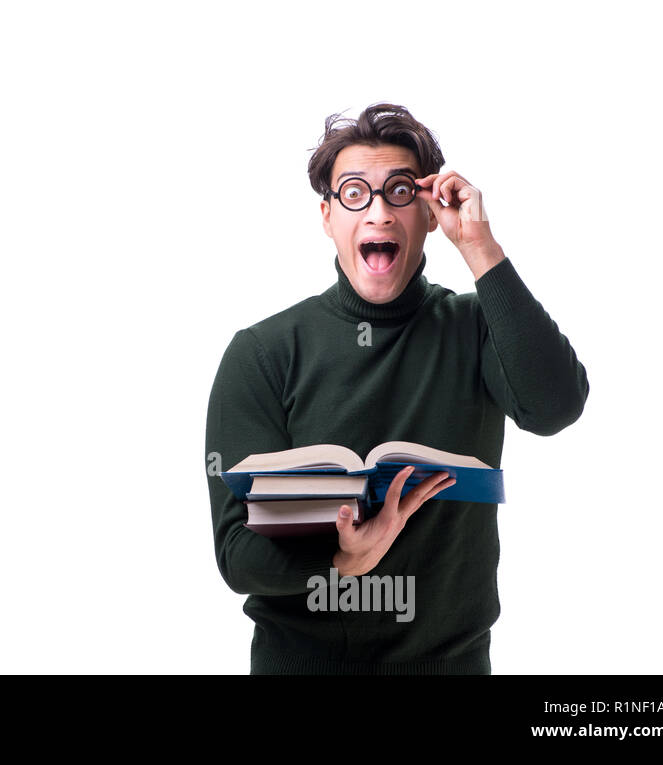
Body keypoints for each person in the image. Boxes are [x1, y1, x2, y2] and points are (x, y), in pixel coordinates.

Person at [204, 103, 588, 674]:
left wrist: (480, 248)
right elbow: (239, 555)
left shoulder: (476, 326)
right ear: (328, 216)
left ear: (431, 213)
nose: (379, 213)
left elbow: (554, 407)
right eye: (355, 193)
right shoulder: (264, 352)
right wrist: (342, 560)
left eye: (401, 192)